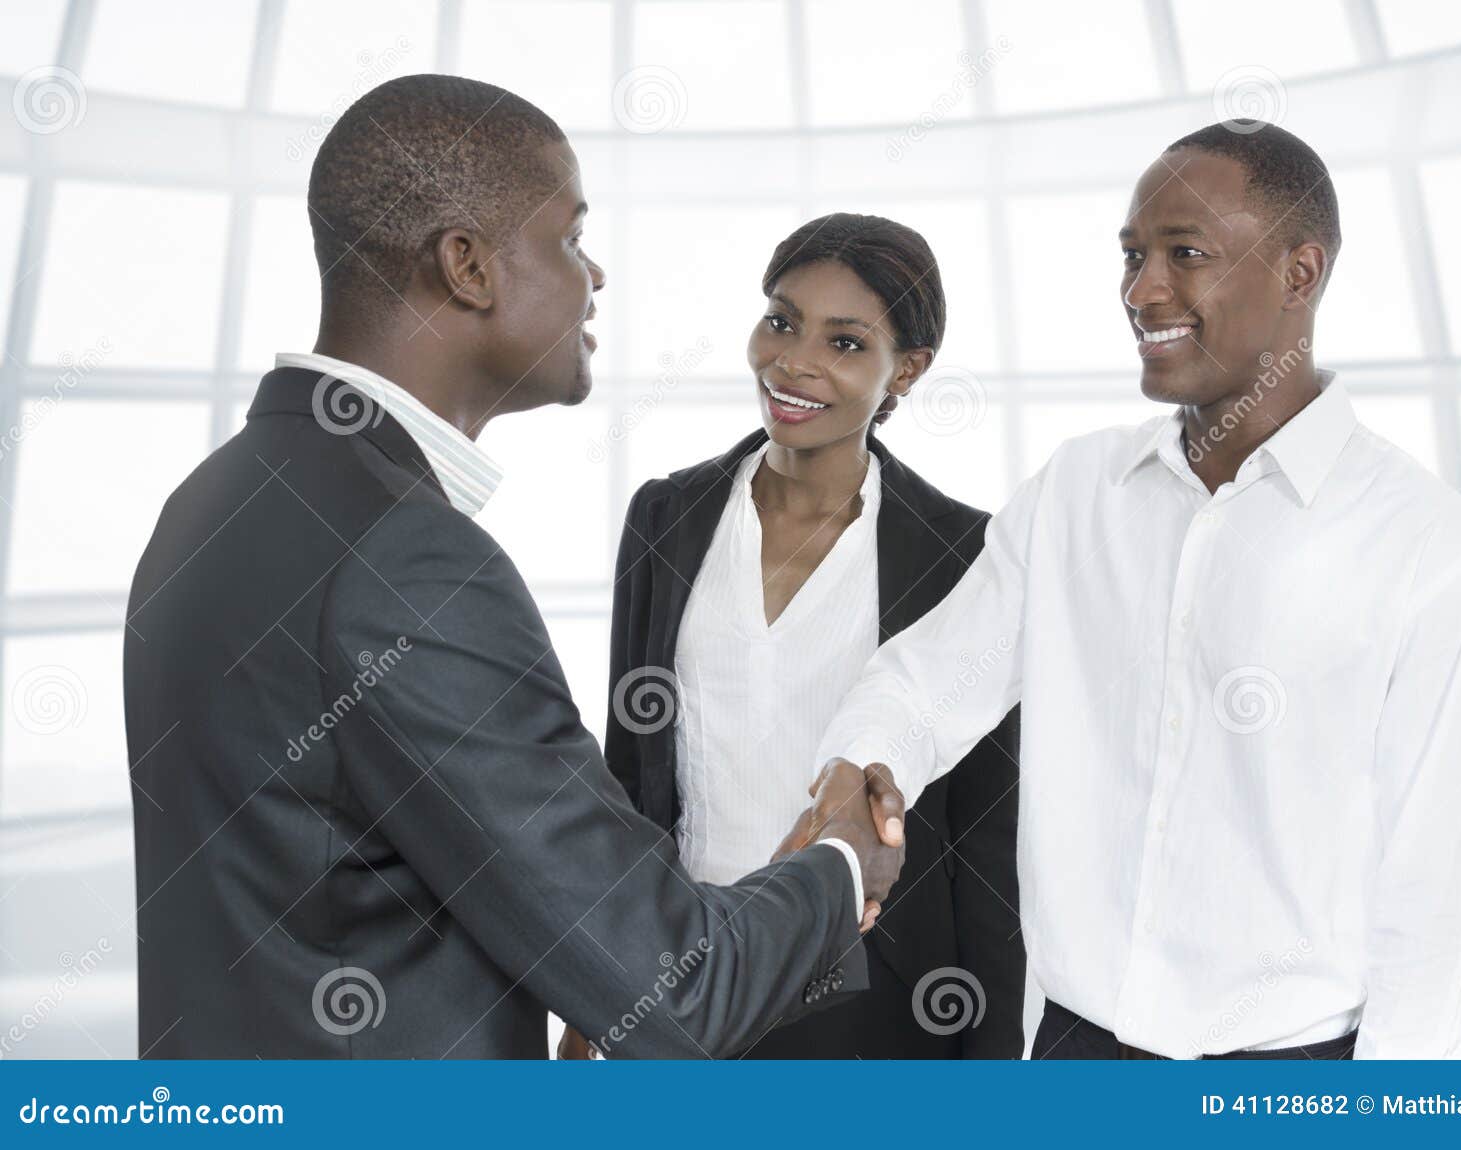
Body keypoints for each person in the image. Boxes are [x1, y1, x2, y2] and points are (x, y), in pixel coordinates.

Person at [122, 75, 904, 1060]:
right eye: (571, 238)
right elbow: (676, 988)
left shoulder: (211, 501)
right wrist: (842, 865)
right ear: (469, 267)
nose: (595, 277)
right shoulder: (406, 560)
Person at [800, 121, 1461, 1059]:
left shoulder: (1430, 546)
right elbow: (927, 683)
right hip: (1071, 1053)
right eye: (1133, 257)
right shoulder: (1076, 491)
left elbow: (1434, 901)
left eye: (1186, 254)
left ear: (1301, 275)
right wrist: (863, 776)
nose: (1142, 291)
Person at [560, 215, 1024, 1060]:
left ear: (906, 373)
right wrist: (597, 978)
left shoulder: (964, 553)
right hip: (687, 970)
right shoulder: (666, 516)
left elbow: (988, 839)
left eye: (845, 343)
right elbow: (630, 773)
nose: (795, 362)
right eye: (781, 321)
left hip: (879, 992)